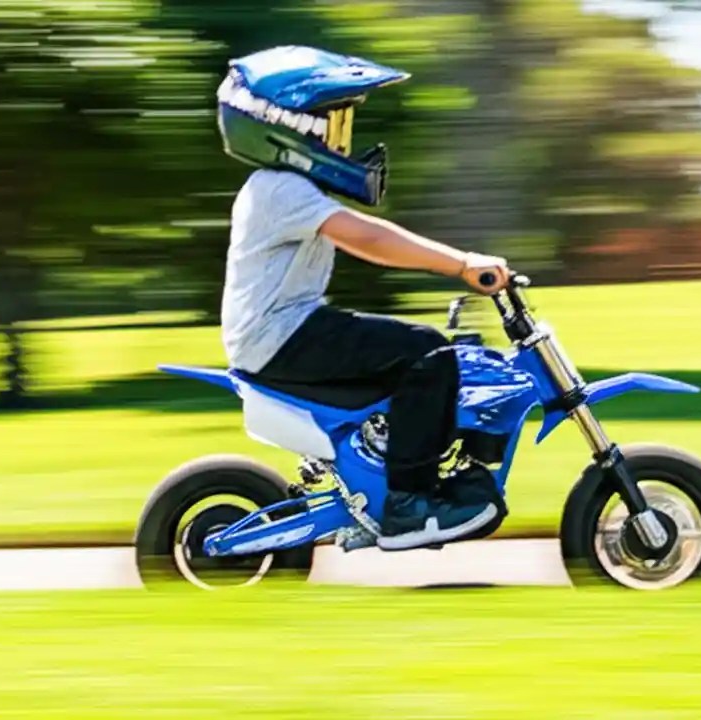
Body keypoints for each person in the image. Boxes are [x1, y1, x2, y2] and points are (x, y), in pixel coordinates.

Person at [215, 45, 511, 551]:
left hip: (284, 330)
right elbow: (368, 239)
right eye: (333, 124)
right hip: (280, 337)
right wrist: (462, 265)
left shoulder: (283, 187)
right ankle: (408, 504)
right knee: (428, 352)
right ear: (289, 128)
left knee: (419, 356)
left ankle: (395, 476)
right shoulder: (280, 188)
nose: (342, 139)